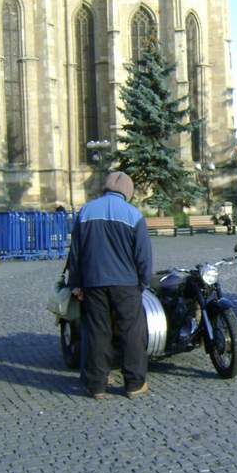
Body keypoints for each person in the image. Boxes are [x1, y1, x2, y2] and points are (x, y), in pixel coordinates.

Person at [67, 171, 152, 400]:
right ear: (128, 192)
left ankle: (96, 385)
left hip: (93, 283)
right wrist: (143, 282)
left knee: (97, 332)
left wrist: (75, 283)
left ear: (105, 188)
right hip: (126, 284)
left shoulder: (85, 211)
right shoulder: (133, 215)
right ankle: (134, 384)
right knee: (132, 332)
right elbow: (143, 256)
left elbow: (75, 253)